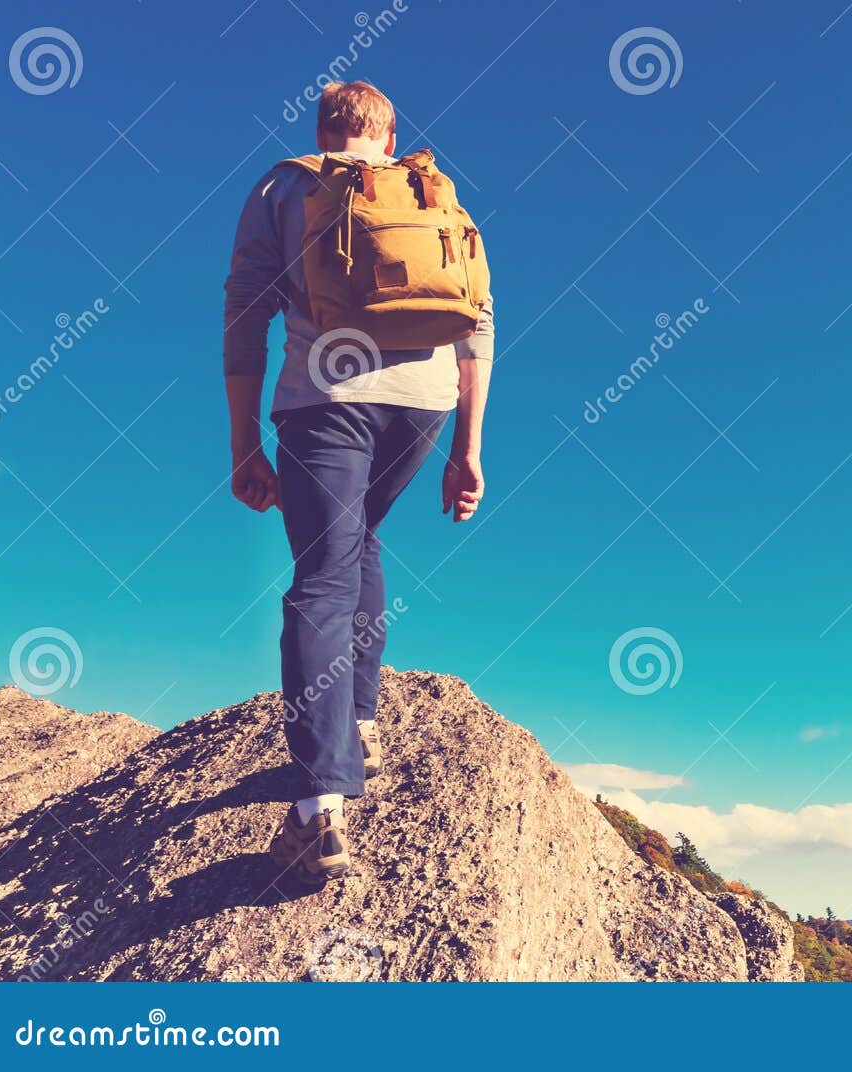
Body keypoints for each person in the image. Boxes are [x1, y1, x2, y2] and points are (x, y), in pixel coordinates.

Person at [222, 80, 493, 887]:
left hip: (326, 397)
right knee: (358, 541)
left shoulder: (285, 184)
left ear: (323, 128)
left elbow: (244, 315)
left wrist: (244, 444)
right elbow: (479, 324)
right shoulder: (436, 194)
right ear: (387, 134)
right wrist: (468, 449)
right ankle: (362, 722)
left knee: (321, 577)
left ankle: (318, 811)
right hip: (426, 408)